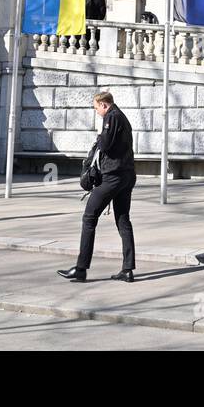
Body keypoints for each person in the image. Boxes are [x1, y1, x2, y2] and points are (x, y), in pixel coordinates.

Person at [58, 91, 136, 282]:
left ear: (103, 104)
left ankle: (81, 268)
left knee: (89, 217)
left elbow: (106, 144)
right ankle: (127, 269)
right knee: (123, 220)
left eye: (96, 108)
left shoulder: (112, 117)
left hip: (113, 177)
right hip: (126, 175)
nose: (97, 112)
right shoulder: (122, 117)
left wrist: (100, 138)